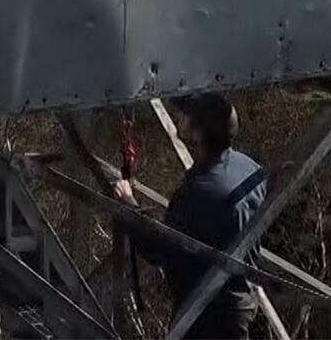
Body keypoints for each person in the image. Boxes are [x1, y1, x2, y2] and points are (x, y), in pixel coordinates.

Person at [113, 93, 266, 339]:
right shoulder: (250, 169)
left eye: (186, 116)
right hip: (239, 302)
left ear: (198, 133)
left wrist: (129, 204)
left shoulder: (200, 191)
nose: (179, 117)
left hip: (206, 315)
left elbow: (159, 246)